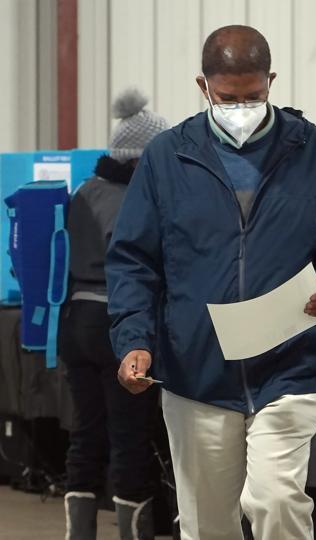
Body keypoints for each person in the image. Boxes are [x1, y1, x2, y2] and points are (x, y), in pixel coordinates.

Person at [106, 25, 316, 540]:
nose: (242, 107)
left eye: (254, 95)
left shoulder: (314, 151)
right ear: (203, 87)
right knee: (206, 524)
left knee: (275, 499)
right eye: (228, 97)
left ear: (271, 81)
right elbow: (134, 261)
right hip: (196, 374)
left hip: (288, 368)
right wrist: (133, 340)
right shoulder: (167, 157)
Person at [62, 88, 169, 540]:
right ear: (137, 160)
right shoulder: (136, 202)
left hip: (73, 324)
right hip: (117, 326)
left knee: (86, 433)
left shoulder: (84, 191)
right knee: (129, 436)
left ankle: (79, 532)